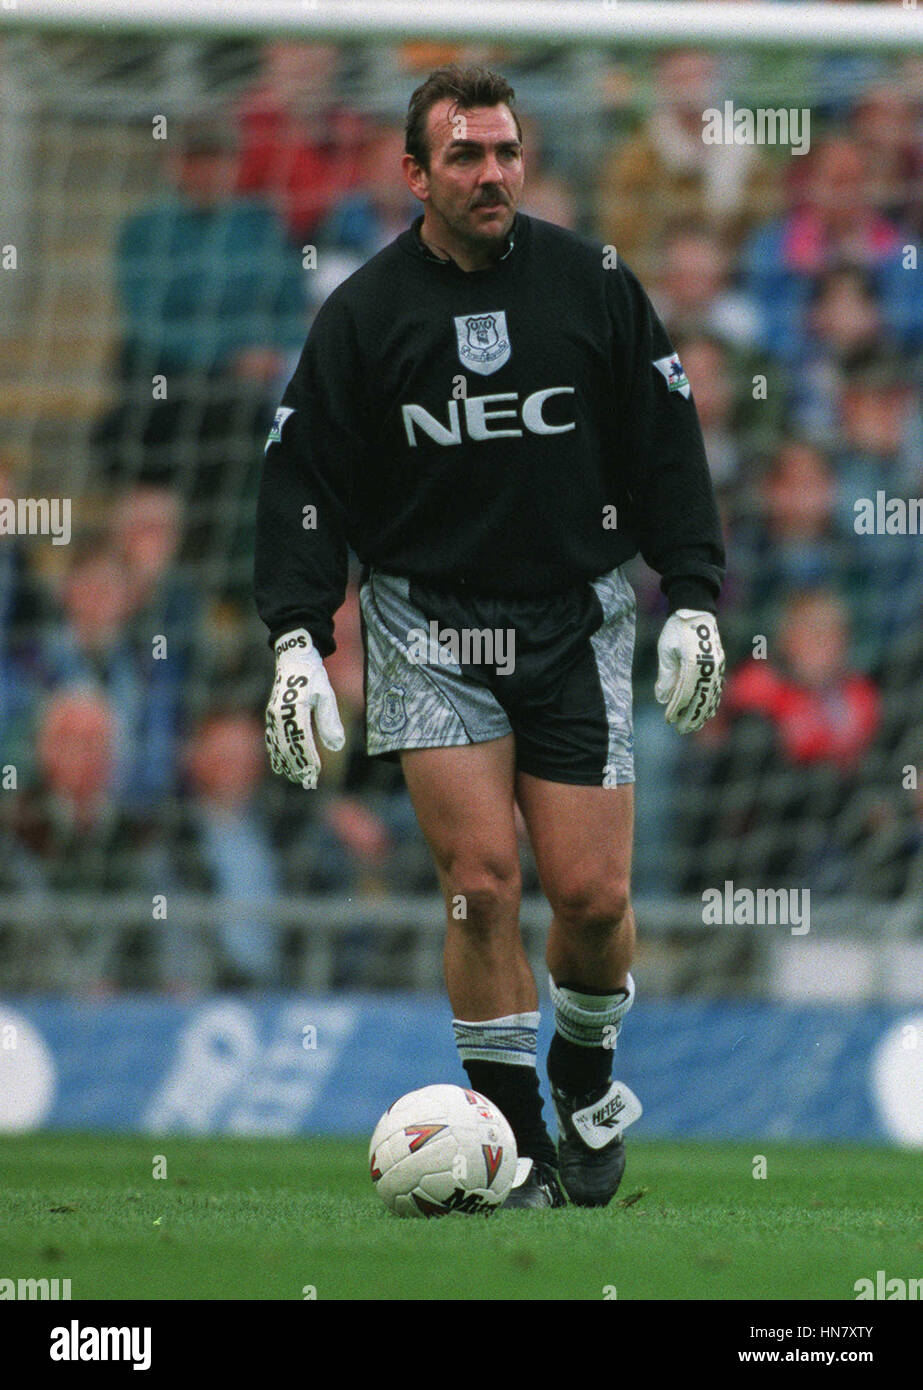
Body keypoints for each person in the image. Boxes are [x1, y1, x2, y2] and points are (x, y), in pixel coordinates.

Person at [254, 66, 726, 1210]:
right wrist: (293, 639)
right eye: (463, 156)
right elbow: (302, 481)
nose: (490, 173)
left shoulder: (593, 285)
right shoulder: (363, 315)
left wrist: (697, 594)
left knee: (592, 898)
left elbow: (667, 443)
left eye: (505, 151)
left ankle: (584, 1072)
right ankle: (514, 1148)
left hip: (578, 616)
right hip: (428, 621)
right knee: (478, 882)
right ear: (413, 173)